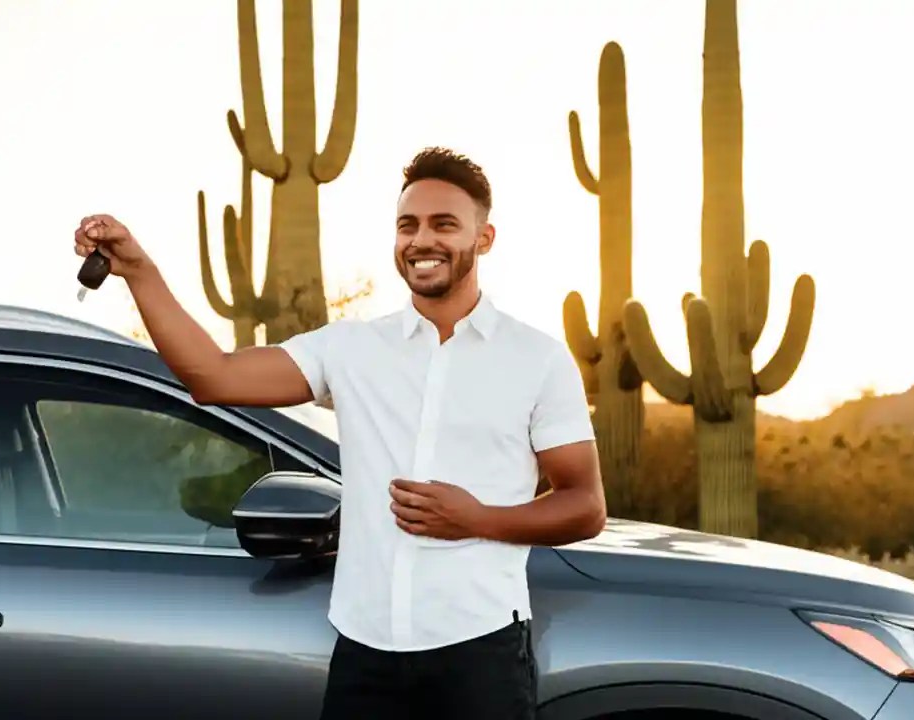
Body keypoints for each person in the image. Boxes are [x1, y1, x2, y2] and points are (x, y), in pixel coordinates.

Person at [72, 147, 606, 719]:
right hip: (365, 658)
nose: (422, 241)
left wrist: (478, 519)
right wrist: (139, 272)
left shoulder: (538, 360)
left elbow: (584, 505)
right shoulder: (351, 349)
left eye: (444, 224)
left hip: (481, 656)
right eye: (408, 225)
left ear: (484, 238)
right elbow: (214, 376)